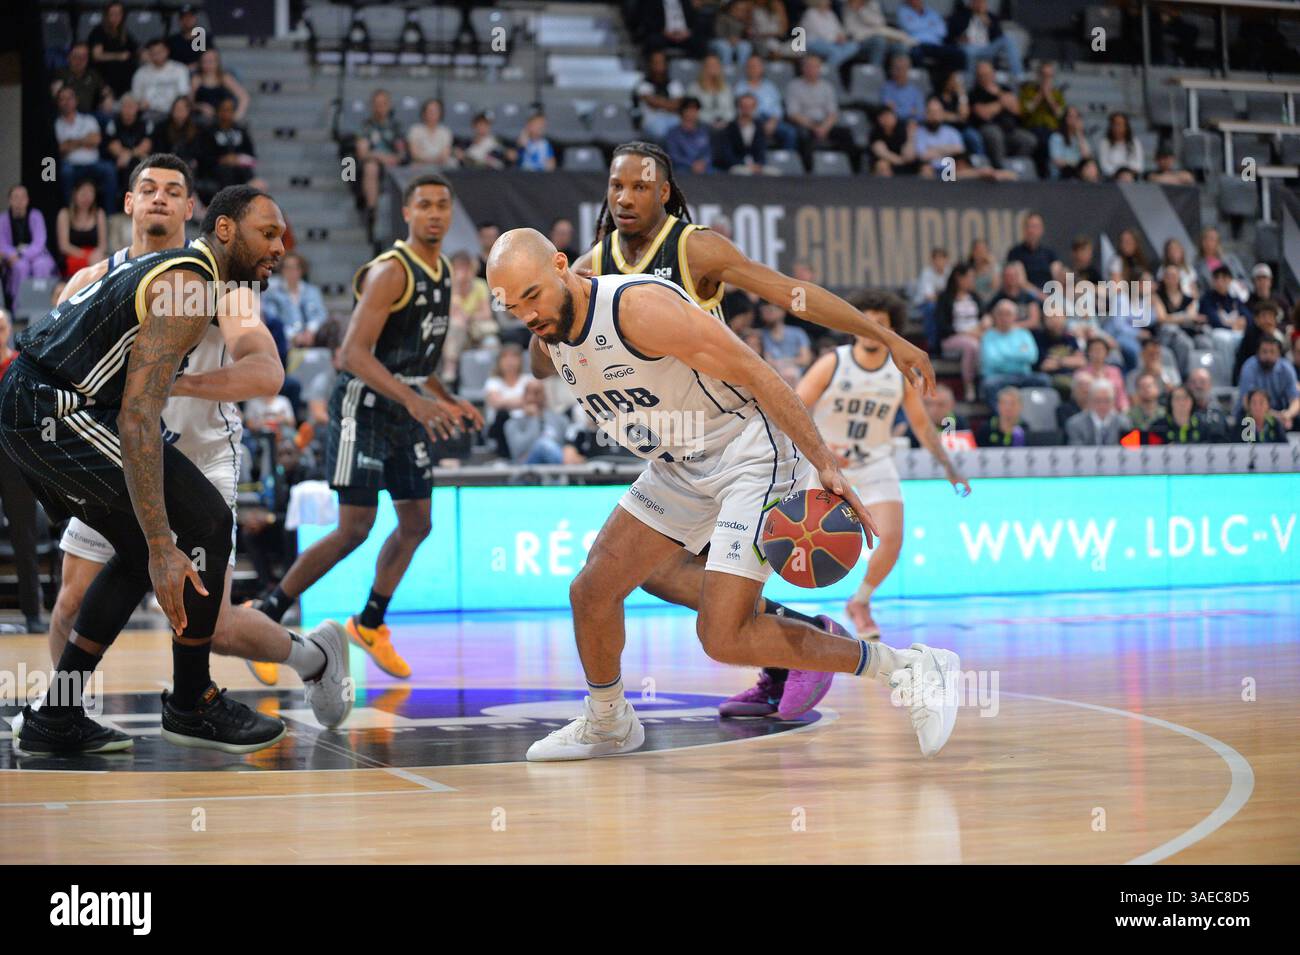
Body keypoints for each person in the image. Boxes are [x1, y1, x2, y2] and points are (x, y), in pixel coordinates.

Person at [489, 227, 960, 760]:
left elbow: (757, 373)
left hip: (748, 450)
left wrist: (824, 462)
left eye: (532, 295)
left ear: (559, 266)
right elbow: (538, 354)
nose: (527, 313)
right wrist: (542, 313)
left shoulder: (637, 308)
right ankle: (609, 722)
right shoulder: (550, 329)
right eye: (512, 306)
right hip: (679, 463)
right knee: (592, 591)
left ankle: (910, 668)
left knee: (724, 635)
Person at [574, 141, 939, 717]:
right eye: (616, 186)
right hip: (680, 453)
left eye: (640, 186)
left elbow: (796, 297)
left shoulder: (694, 250)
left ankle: (848, 656)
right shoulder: (593, 266)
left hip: (744, 439)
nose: (624, 197)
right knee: (647, 573)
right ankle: (788, 645)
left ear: (664, 193)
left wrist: (885, 336)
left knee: (720, 630)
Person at [0, 184, 338, 755]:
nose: (280, 246)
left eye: (282, 236)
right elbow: (137, 418)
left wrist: (151, 545)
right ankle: (191, 702)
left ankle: (56, 717)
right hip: (53, 410)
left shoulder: (188, 277)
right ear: (225, 229)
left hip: (38, 407)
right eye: (269, 233)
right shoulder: (188, 283)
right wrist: (161, 541)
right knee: (202, 522)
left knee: (144, 550)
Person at [247, 175, 482, 682]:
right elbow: (352, 354)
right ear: (407, 213)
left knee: (419, 522)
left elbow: (416, 354)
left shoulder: (442, 271)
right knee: (355, 528)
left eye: (444, 205)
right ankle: (264, 618)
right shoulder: (391, 272)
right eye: (425, 205)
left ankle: (370, 623)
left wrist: (444, 397)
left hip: (407, 409)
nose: (435, 214)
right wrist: (417, 400)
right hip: (364, 409)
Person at [800, 291, 969, 640]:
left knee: (891, 537)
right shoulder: (833, 362)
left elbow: (922, 426)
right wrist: (820, 450)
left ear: (890, 330)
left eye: (880, 324)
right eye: (865, 321)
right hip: (823, 462)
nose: (870, 328)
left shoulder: (898, 372)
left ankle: (860, 602)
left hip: (873, 458)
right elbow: (795, 406)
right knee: (794, 534)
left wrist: (949, 467)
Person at [0, 307, 46, 633]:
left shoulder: (19, 363)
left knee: (24, 537)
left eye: (1, 325)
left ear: (8, 329)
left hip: (14, 456)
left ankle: (32, 614)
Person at [54, 86, 117, 206]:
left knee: (109, 169)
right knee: (64, 173)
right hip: (71, 165)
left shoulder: (88, 119)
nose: (66, 102)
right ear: (58, 103)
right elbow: (60, 149)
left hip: (93, 163)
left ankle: (110, 215)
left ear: (76, 100)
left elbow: (96, 140)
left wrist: (71, 143)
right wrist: (85, 141)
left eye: (69, 98)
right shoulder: (56, 124)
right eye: (63, 99)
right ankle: (68, 213)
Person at [968, 60, 1036, 170]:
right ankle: (1001, 169)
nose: (985, 77)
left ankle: (1016, 168)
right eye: (981, 75)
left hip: (1010, 130)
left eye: (987, 74)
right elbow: (983, 114)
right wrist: (1002, 103)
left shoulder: (1005, 88)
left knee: (1028, 139)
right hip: (988, 128)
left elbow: (1017, 110)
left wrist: (997, 100)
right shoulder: (975, 93)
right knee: (995, 135)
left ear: (993, 74)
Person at [980, 299, 1049, 403]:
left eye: (1008, 314)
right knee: (989, 385)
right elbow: (992, 361)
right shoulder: (988, 336)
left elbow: (1031, 357)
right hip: (999, 377)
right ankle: (1002, 417)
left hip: (1023, 376)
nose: (1004, 318)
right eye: (1000, 314)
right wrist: (1019, 355)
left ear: (1015, 316)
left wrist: (1004, 355)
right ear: (995, 317)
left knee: (1044, 380)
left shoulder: (1024, 334)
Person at [353, 90, 408, 217]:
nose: (380, 107)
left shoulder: (396, 126)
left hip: (393, 162)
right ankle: (372, 211)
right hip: (373, 162)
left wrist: (395, 158)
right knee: (371, 167)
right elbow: (362, 153)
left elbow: (402, 152)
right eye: (377, 104)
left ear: (389, 105)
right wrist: (380, 157)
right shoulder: (366, 126)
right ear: (372, 106)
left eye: (383, 104)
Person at [1, 185, 58, 307]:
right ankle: (20, 308)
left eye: (22, 197)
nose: (19, 201)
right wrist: (13, 255)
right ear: (9, 200)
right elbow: (2, 244)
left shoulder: (36, 215)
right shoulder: (3, 219)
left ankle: (43, 306)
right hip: (14, 259)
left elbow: (39, 242)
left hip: (37, 256)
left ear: (27, 200)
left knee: (41, 265)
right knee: (20, 266)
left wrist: (21, 254)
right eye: (15, 197)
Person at [935, 262, 983, 401]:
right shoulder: (945, 298)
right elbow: (943, 326)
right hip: (952, 339)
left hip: (976, 335)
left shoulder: (974, 297)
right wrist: (966, 333)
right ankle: (969, 384)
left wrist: (985, 322)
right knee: (972, 346)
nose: (972, 281)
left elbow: (984, 314)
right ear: (959, 278)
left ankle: (983, 379)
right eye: (969, 277)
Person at [950, 0, 1022, 87]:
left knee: (1008, 40)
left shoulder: (990, 16)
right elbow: (953, 34)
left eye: (982, 2)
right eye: (977, 2)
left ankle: (1019, 76)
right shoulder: (961, 15)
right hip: (969, 47)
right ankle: (969, 85)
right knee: (969, 51)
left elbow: (999, 36)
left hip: (987, 48)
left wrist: (987, 22)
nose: (980, 4)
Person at [262, 251, 327, 347]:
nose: (291, 271)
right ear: (282, 270)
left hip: (312, 339)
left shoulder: (312, 291)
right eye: (288, 268)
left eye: (295, 268)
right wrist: (293, 336)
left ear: (301, 270)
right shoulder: (273, 294)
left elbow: (321, 315)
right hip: (285, 341)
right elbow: (273, 318)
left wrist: (310, 331)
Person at [1237, 336, 1298, 426]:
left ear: (1279, 354)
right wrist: (1276, 416)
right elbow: (1247, 402)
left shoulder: (1286, 368)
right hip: (1253, 414)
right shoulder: (1249, 367)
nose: (1268, 355)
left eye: (1272, 352)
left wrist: (1288, 414)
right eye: (1264, 351)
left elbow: (1296, 400)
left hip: (1280, 415)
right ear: (1258, 353)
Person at [56, 179, 108, 278]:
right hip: (73, 256)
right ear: (75, 194)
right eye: (83, 193)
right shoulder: (65, 214)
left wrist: (96, 254)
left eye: (90, 193)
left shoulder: (99, 213)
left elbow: (103, 245)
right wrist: (86, 256)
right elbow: (64, 246)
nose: (86, 197)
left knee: (107, 263)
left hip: (95, 256)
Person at [87, 1, 137, 99]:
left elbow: (134, 49)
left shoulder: (123, 32)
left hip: (124, 81)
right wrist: (118, 56)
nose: (116, 17)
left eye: (119, 14)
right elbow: (97, 55)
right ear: (106, 15)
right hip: (105, 78)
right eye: (112, 14)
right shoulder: (99, 31)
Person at [634, 49, 685, 141]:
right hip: (652, 121)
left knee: (684, 128)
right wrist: (669, 104)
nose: (659, 65)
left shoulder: (675, 84)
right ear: (650, 64)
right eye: (655, 62)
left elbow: (678, 105)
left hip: (673, 119)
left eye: (661, 62)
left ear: (666, 64)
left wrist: (659, 101)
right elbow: (652, 103)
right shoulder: (643, 85)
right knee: (661, 132)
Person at [131, 38, 191, 117]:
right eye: (153, 53)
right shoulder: (140, 73)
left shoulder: (180, 69)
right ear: (149, 54)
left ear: (167, 51)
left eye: (159, 52)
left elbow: (183, 94)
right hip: (149, 112)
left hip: (174, 113)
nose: (157, 55)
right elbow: (136, 97)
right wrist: (140, 103)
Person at [103, 95, 154, 187]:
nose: (128, 110)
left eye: (131, 107)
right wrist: (127, 155)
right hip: (117, 160)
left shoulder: (144, 123)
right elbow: (113, 146)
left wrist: (128, 155)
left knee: (136, 164)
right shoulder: (114, 123)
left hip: (136, 159)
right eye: (125, 106)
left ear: (137, 108)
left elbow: (146, 146)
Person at [1065, 379, 1132, 445]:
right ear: (1090, 400)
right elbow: (1076, 452)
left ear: (1113, 401)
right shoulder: (1075, 424)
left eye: (1107, 400)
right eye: (1097, 400)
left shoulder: (1123, 422)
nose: (1102, 405)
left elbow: (1129, 451)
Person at [191, 49, 251, 123]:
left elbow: (244, 97)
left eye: (211, 61)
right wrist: (200, 107)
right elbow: (189, 103)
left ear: (217, 62)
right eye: (204, 62)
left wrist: (236, 116)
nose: (208, 65)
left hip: (222, 118)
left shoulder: (224, 78)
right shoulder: (196, 79)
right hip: (202, 119)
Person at [49, 42, 106, 116]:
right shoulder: (60, 74)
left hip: (88, 117)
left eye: (83, 57)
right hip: (65, 117)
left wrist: (107, 98)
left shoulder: (93, 75)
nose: (79, 60)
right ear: (69, 57)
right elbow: (52, 98)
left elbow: (105, 91)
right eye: (76, 56)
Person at [718, 92, 770, 172]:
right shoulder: (730, 128)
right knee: (742, 171)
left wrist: (758, 164)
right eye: (744, 106)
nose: (747, 109)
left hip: (757, 166)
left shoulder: (759, 127)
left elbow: (761, 151)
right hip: (737, 166)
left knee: (774, 173)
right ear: (739, 107)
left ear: (755, 107)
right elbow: (727, 155)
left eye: (750, 106)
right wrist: (746, 165)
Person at [1006, 212, 1058, 291]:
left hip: (1050, 295)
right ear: (1024, 229)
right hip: (1027, 298)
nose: (1031, 231)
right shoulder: (1015, 253)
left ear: (1041, 229)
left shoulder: (1050, 253)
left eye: (1035, 227)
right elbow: (1022, 283)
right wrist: (1042, 297)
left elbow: (1058, 274)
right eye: (1028, 226)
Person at [1075, 336, 1129, 412]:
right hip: (1089, 412)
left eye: (1101, 349)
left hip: (1113, 412)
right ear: (1089, 352)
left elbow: (1121, 395)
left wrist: (1125, 410)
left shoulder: (1115, 371)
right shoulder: (1081, 373)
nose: (1098, 352)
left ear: (1106, 353)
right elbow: (1079, 398)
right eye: (1094, 349)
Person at [665, 98, 713, 174]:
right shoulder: (673, 133)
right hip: (682, 169)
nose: (692, 113)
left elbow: (709, 152)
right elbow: (673, 155)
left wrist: (703, 162)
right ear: (682, 111)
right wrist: (691, 164)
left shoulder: (705, 130)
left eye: (695, 109)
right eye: (689, 109)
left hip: (704, 168)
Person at [868, 104, 919, 176]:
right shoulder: (875, 132)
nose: (887, 120)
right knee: (882, 164)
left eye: (889, 116)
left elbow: (909, 155)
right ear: (879, 119)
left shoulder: (903, 128)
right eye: (883, 117)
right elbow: (880, 151)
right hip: (891, 162)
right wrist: (901, 161)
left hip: (907, 164)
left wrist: (910, 138)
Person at [407, 98, 456, 167]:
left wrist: (434, 160)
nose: (433, 113)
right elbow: (415, 155)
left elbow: (445, 155)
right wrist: (430, 161)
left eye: (436, 111)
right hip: (419, 165)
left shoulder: (445, 131)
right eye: (430, 111)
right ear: (424, 113)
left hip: (441, 165)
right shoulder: (415, 129)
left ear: (441, 113)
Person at [1047, 106, 1092, 179]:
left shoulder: (1081, 138)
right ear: (1065, 119)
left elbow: (1087, 157)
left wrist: (1079, 134)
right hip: (1062, 173)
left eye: (1076, 117)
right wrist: (1075, 166)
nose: (1073, 120)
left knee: (1091, 168)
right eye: (1070, 116)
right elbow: (1057, 161)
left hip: (1078, 173)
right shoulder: (1056, 137)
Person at [1096, 112, 1143, 179]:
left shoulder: (1134, 142)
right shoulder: (1104, 143)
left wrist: (1127, 172)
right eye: (1115, 124)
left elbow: (1139, 165)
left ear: (1126, 126)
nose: (1117, 128)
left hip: (1131, 177)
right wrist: (1118, 174)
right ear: (1111, 126)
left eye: (1120, 124)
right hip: (1111, 179)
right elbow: (1104, 165)